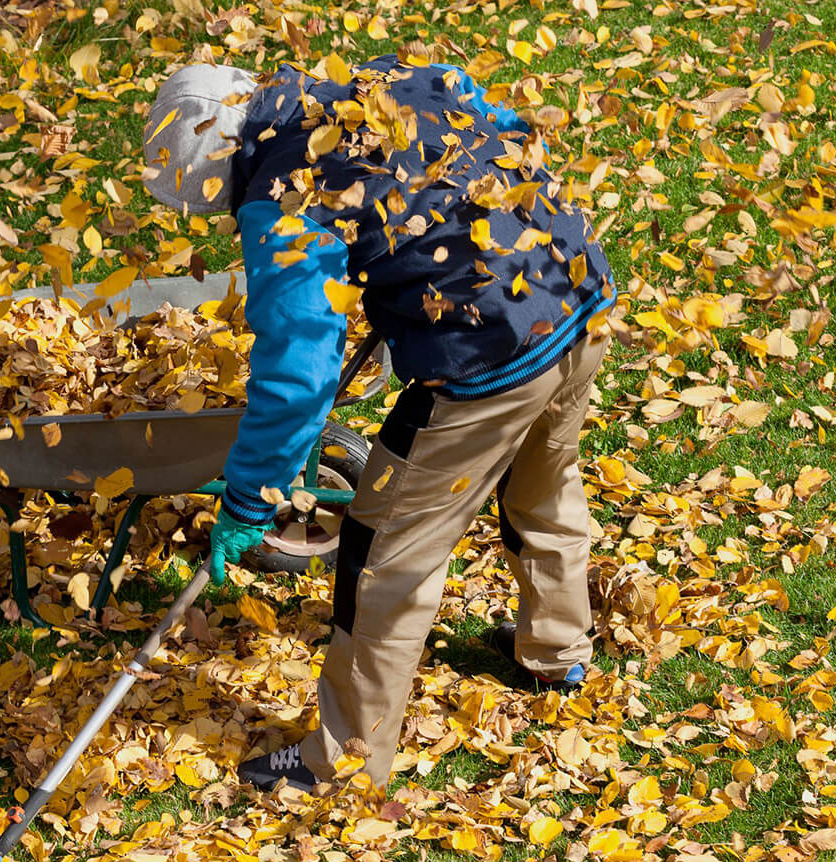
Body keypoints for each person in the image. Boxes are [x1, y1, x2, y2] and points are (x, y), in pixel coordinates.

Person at [141, 54, 614, 793]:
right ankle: (557, 655)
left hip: (487, 357)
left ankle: (347, 761)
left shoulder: (283, 195)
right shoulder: (372, 84)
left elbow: (298, 375)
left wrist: (250, 495)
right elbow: (497, 127)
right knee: (542, 486)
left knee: (382, 551)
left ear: (219, 163)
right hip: (573, 291)